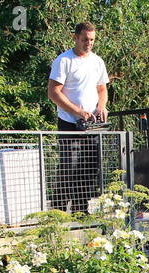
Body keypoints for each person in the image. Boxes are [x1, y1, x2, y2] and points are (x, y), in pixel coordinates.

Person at [47, 22, 110, 212]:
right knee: (70, 167)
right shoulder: (64, 60)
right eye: (84, 40)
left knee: (89, 167)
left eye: (91, 40)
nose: (88, 43)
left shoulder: (97, 61)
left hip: (92, 124)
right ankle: (57, 211)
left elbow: (102, 89)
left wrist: (101, 107)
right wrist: (78, 111)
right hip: (69, 122)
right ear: (75, 38)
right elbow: (53, 93)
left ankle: (80, 211)